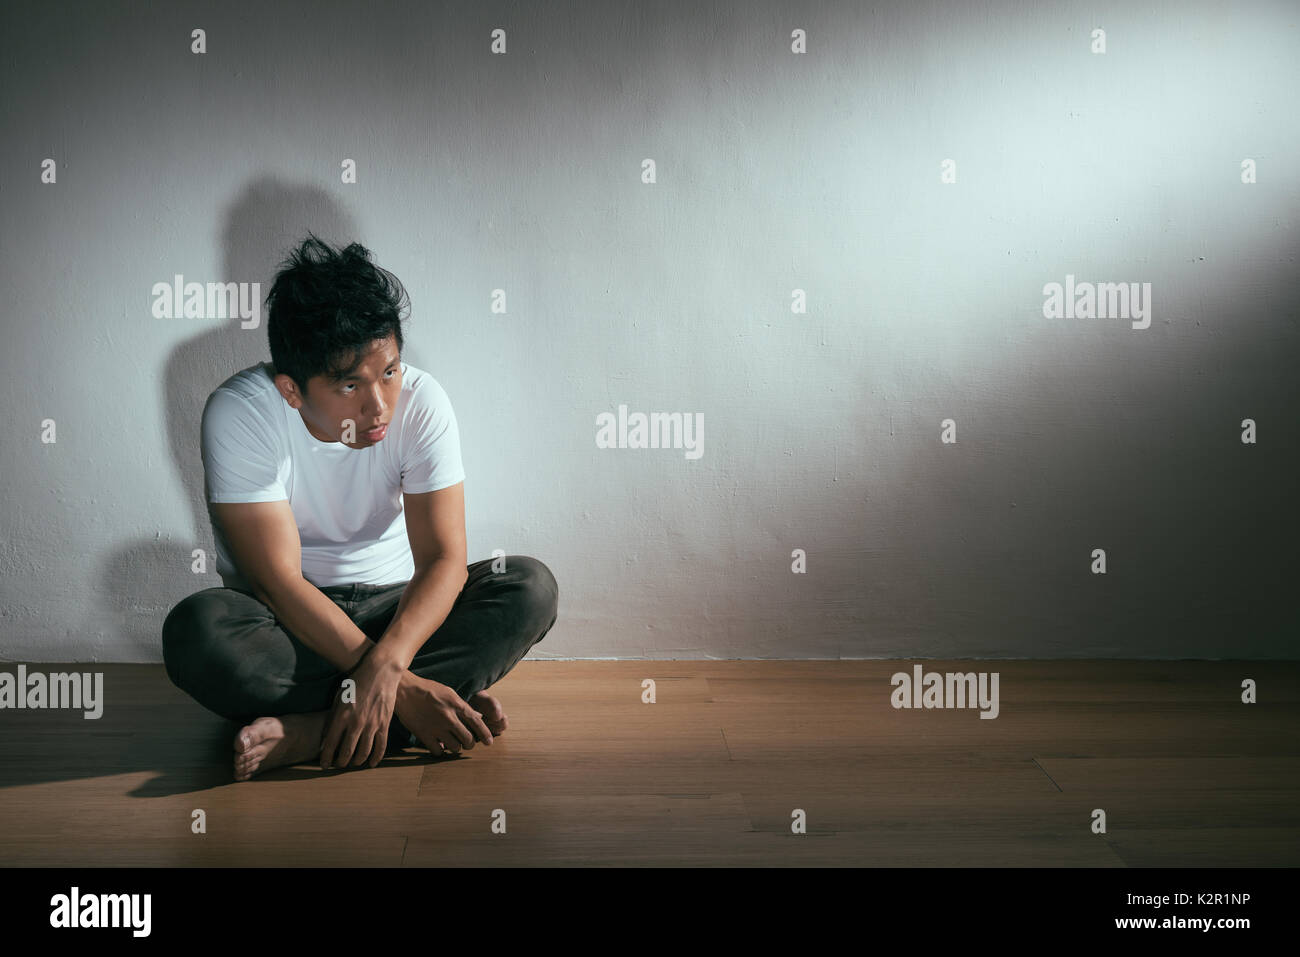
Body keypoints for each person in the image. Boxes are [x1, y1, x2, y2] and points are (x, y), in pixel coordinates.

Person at [161, 234, 558, 781]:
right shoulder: (241, 413)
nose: (379, 406)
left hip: (397, 609)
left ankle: (315, 732)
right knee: (196, 631)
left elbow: (443, 560)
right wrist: (408, 683)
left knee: (527, 586)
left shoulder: (424, 404)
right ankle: (427, 706)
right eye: (349, 384)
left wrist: (389, 663)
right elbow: (278, 582)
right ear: (292, 390)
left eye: (390, 372)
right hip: (288, 623)